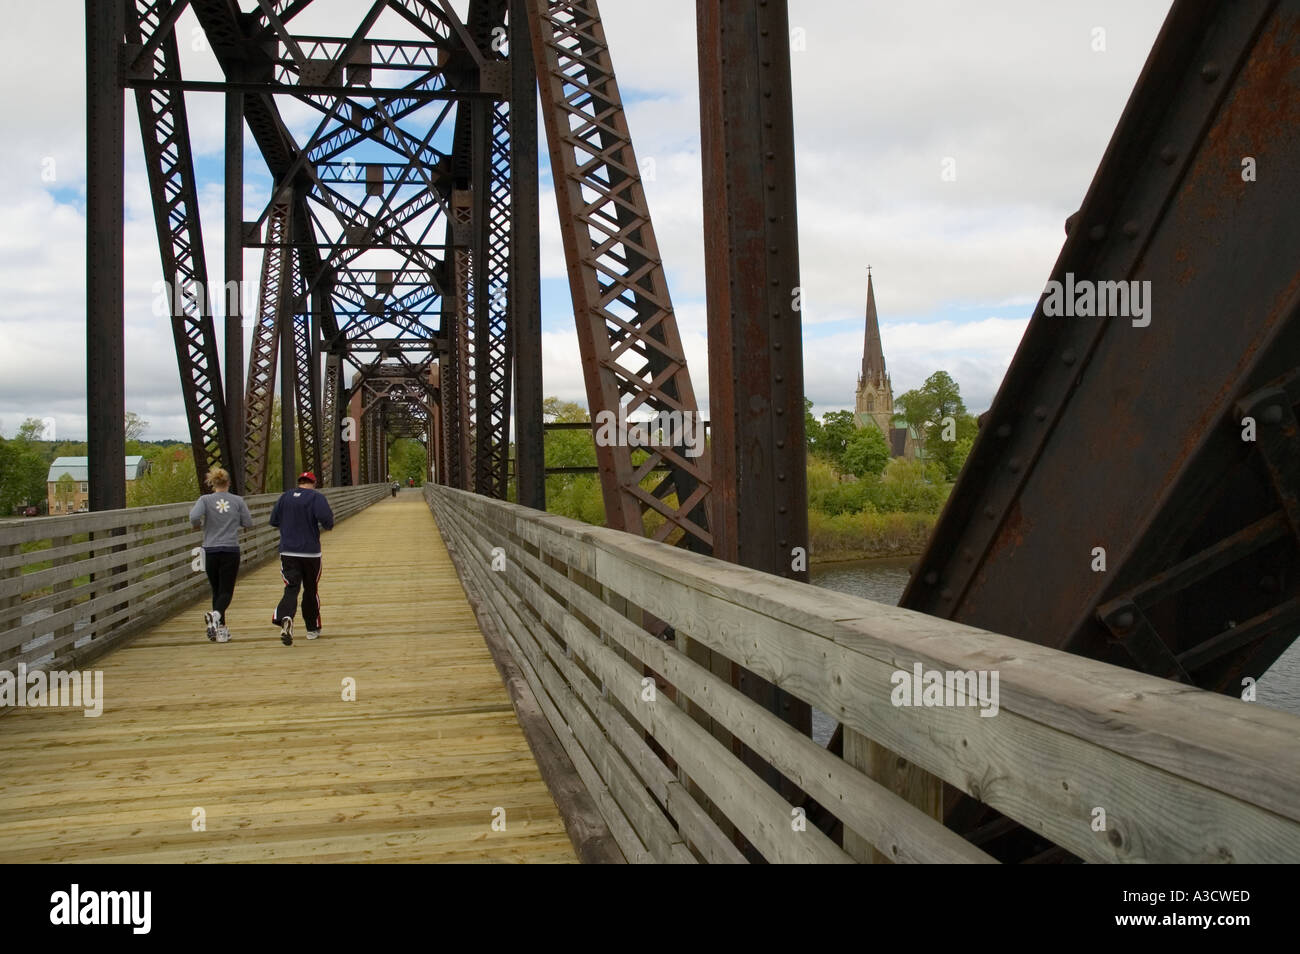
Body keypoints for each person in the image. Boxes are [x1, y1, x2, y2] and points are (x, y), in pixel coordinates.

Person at [269, 471, 335, 646]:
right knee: (310, 589)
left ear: (299, 482)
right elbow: (327, 520)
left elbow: (274, 520)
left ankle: (285, 617)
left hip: (288, 552)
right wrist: (326, 525)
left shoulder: (285, 497)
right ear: (313, 483)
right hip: (311, 552)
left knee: (292, 587)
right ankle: (312, 628)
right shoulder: (316, 497)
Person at [189, 466, 253, 643]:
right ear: (229, 483)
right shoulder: (237, 501)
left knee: (216, 590)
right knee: (226, 590)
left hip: (210, 550)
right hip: (230, 549)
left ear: (213, 483)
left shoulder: (205, 500)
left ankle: (221, 631)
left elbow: (194, 516)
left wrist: (197, 525)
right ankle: (216, 616)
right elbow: (248, 521)